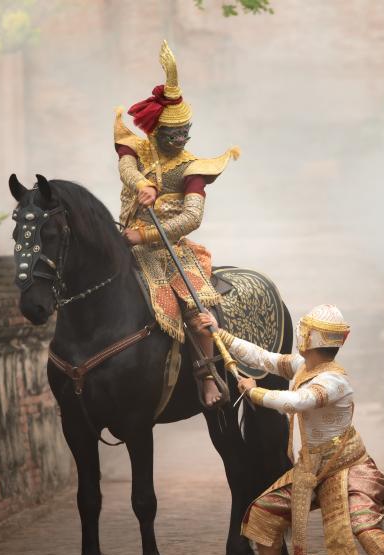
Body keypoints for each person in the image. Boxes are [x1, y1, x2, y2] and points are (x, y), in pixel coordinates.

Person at [192, 306, 384, 555]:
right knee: (262, 514)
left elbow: (295, 402)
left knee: (366, 529)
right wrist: (218, 331)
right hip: (312, 470)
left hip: (350, 469)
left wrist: (256, 393)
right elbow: (261, 357)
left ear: (308, 337)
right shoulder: (302, 367)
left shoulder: (334, 381)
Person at [115, 40, 239, 407]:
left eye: (186, 131)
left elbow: (192, 217)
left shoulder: (192, 168)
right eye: (174, 133)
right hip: (124, 239)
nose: (181, 138)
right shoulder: (138, 150)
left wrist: (147, 234)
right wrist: (142, 184)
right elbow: (125, 167)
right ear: (155, 131)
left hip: (168, 249)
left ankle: (206, 376)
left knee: (196, 306)